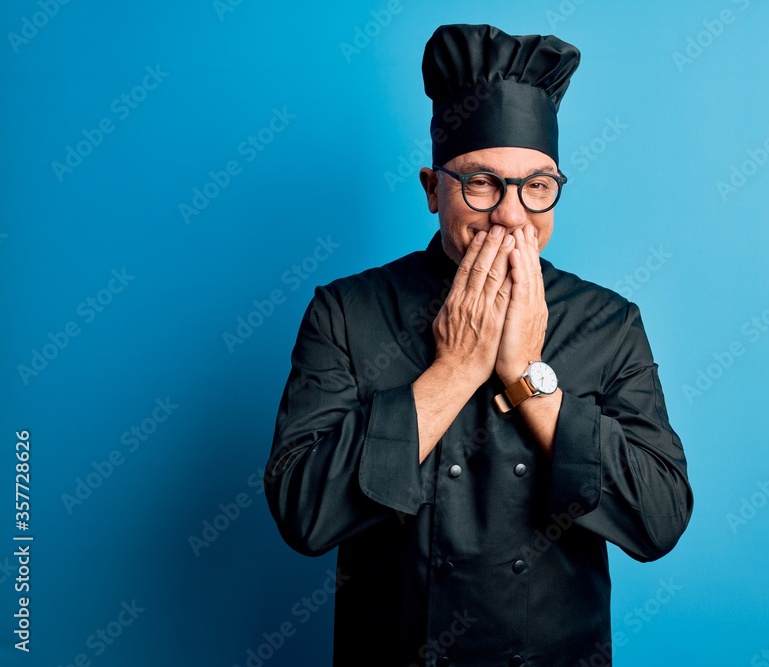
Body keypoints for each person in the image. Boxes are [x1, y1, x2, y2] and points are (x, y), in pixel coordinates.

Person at [265, 23, 693, 667]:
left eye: (537, 186)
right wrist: (456, 370)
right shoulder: (346, 313)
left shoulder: (609, 322)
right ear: (431, 188)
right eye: (482, 183)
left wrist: (527, 376)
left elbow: (658, 519)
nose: (512, 215)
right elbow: (304, 513)